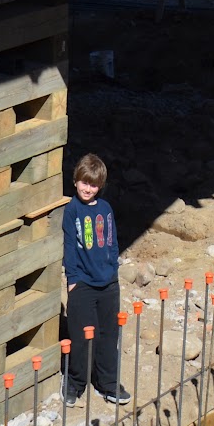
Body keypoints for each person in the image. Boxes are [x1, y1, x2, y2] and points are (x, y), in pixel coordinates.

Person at [61, 152, 130, 405]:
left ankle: (107, 383)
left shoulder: (105, 209)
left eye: (93, 184)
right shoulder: (72, 210)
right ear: (75, 181)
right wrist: (72, 279)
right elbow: (70, 246)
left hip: (108, 282)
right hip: (83, 283)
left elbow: (112, 242)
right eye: (84, 182)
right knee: (81, 337)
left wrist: (113, 269)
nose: (87, 189)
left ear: (100, 186)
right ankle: (75, 382)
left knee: (108, 335)